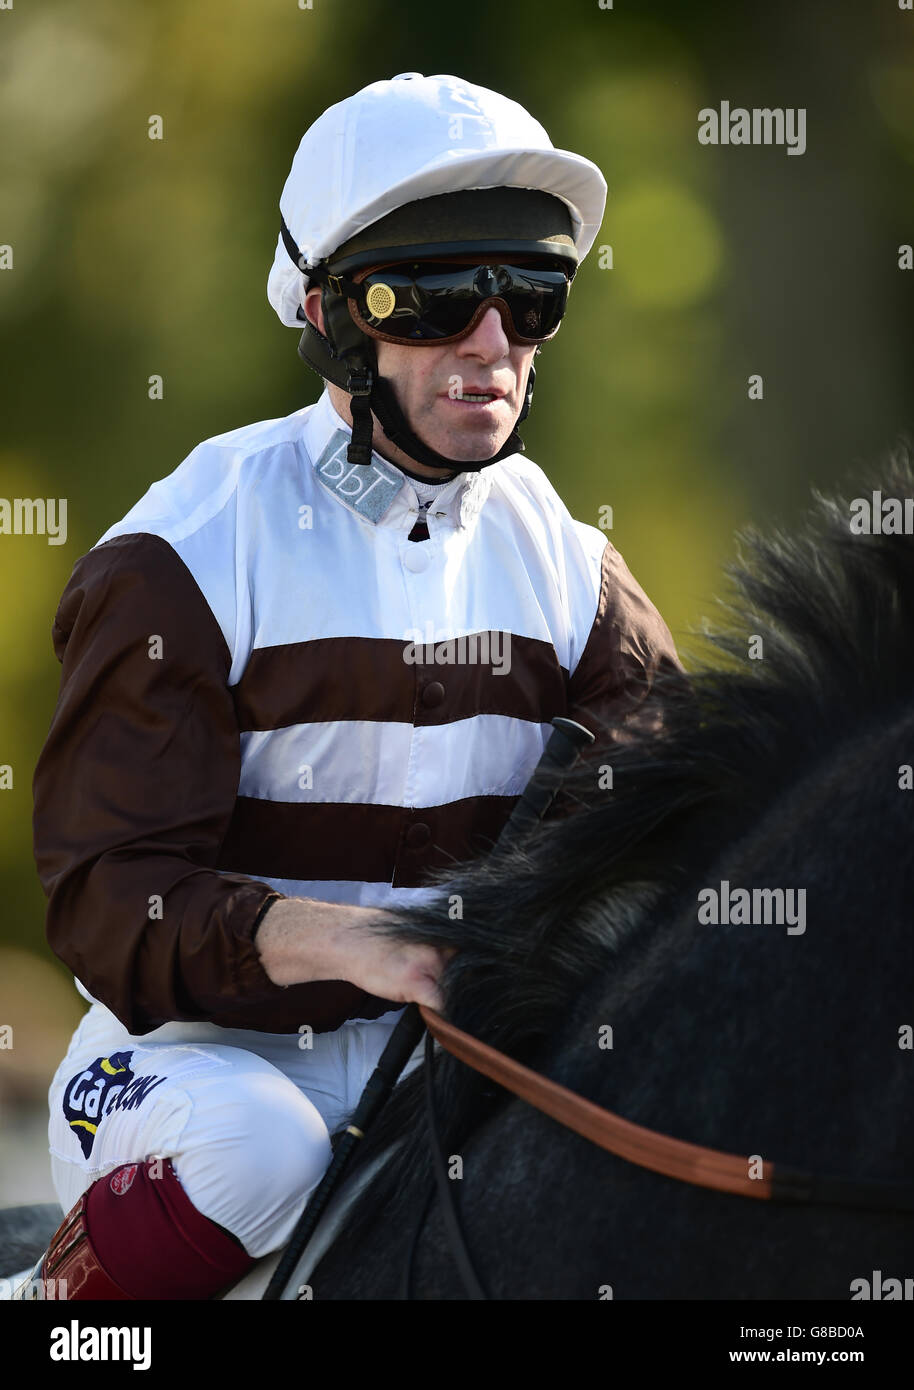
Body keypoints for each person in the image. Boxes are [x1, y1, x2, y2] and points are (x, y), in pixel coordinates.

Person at [28, 73, 682, 1300]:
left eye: (528, 300)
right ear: (334, 320)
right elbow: (111, 907)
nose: (490, 347)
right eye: (438, 302)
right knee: (263, 1152)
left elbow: (679, 816)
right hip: (193, 1075)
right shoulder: (183, 554)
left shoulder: (574, 569)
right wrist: (358, 943)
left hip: (451, 1070)